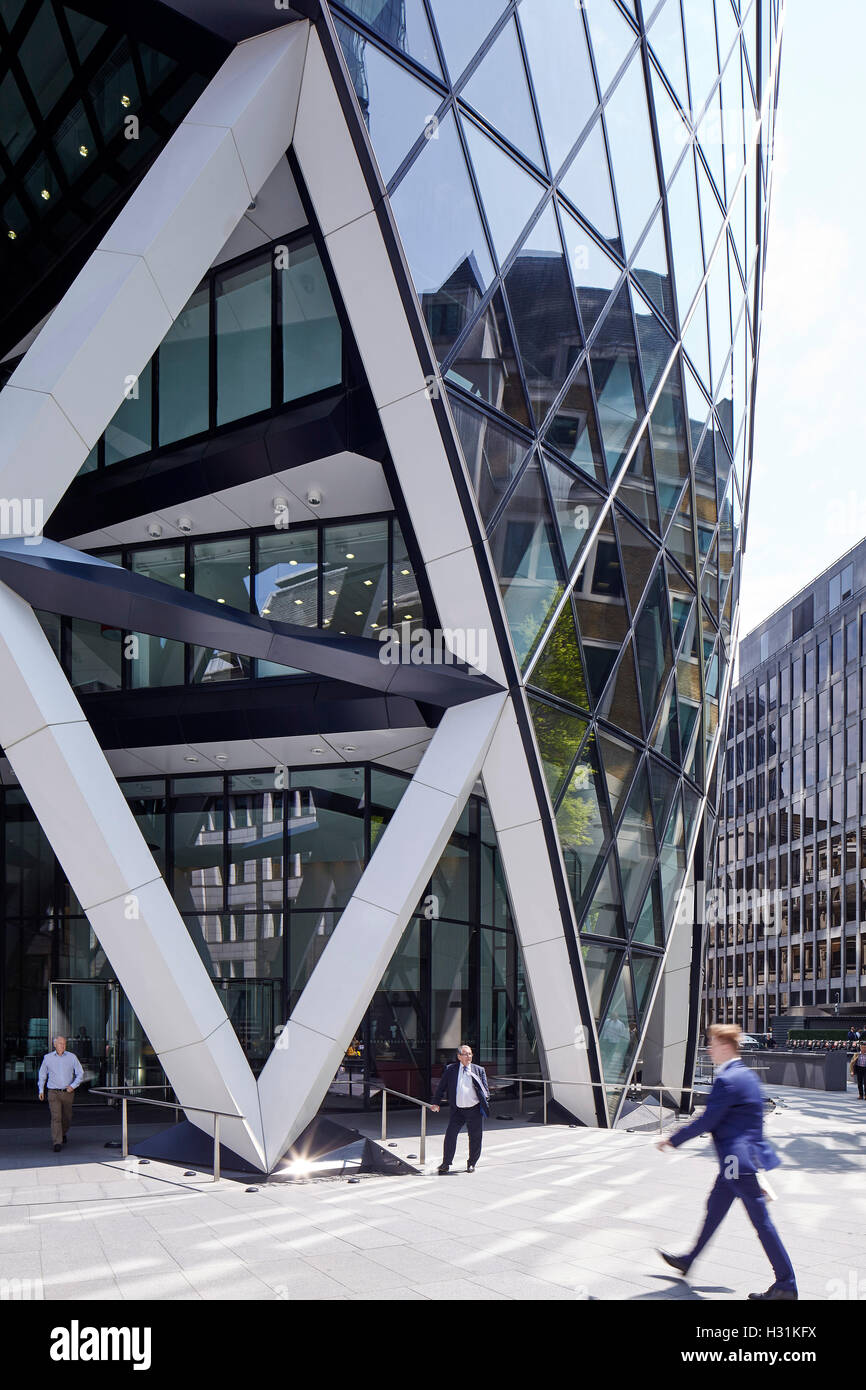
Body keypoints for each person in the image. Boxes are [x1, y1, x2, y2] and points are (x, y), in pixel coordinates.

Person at [656, 1023, 797, 1301]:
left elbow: (708, 1119)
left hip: (736, 1163)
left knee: (762, 1222)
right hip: (738, 1161)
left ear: (726, 1046)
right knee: (715, 1208)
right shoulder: (746, 1076)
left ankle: (786, 1284)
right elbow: (753, 1124)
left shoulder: (727, 1080)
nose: (709, 1049)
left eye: (712, 1044)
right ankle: (689, 1259)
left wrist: (673, 1139)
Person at [431, 1045, 490, 1174]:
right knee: (450, 1135)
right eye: (465, 1054)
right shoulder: (450, 1069)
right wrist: (436, 1102)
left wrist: (485, 1099)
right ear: (459, 1057)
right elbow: (441, 1087)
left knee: (475, 1137)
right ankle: (446, 1163)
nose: (468, 1056)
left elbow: (486, 1090)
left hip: (474, 1109)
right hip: (457, 1110)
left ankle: (472, 1163)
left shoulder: (479, 1070)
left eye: (470, 1054)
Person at [38, 1036, 83, 1151]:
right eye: (60, 1043)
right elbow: (42, 1074)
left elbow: (80, 1073)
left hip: (67, 1093)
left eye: (64, 1043)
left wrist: (73, 1086)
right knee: (56, 1117)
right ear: (54, 1045)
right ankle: (57, 1142)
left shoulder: (72, 1057)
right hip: (53, 1092)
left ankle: (62, 1133)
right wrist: (41, 1090)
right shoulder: (47, 1058)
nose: (62, 1046)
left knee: (67, 1117)